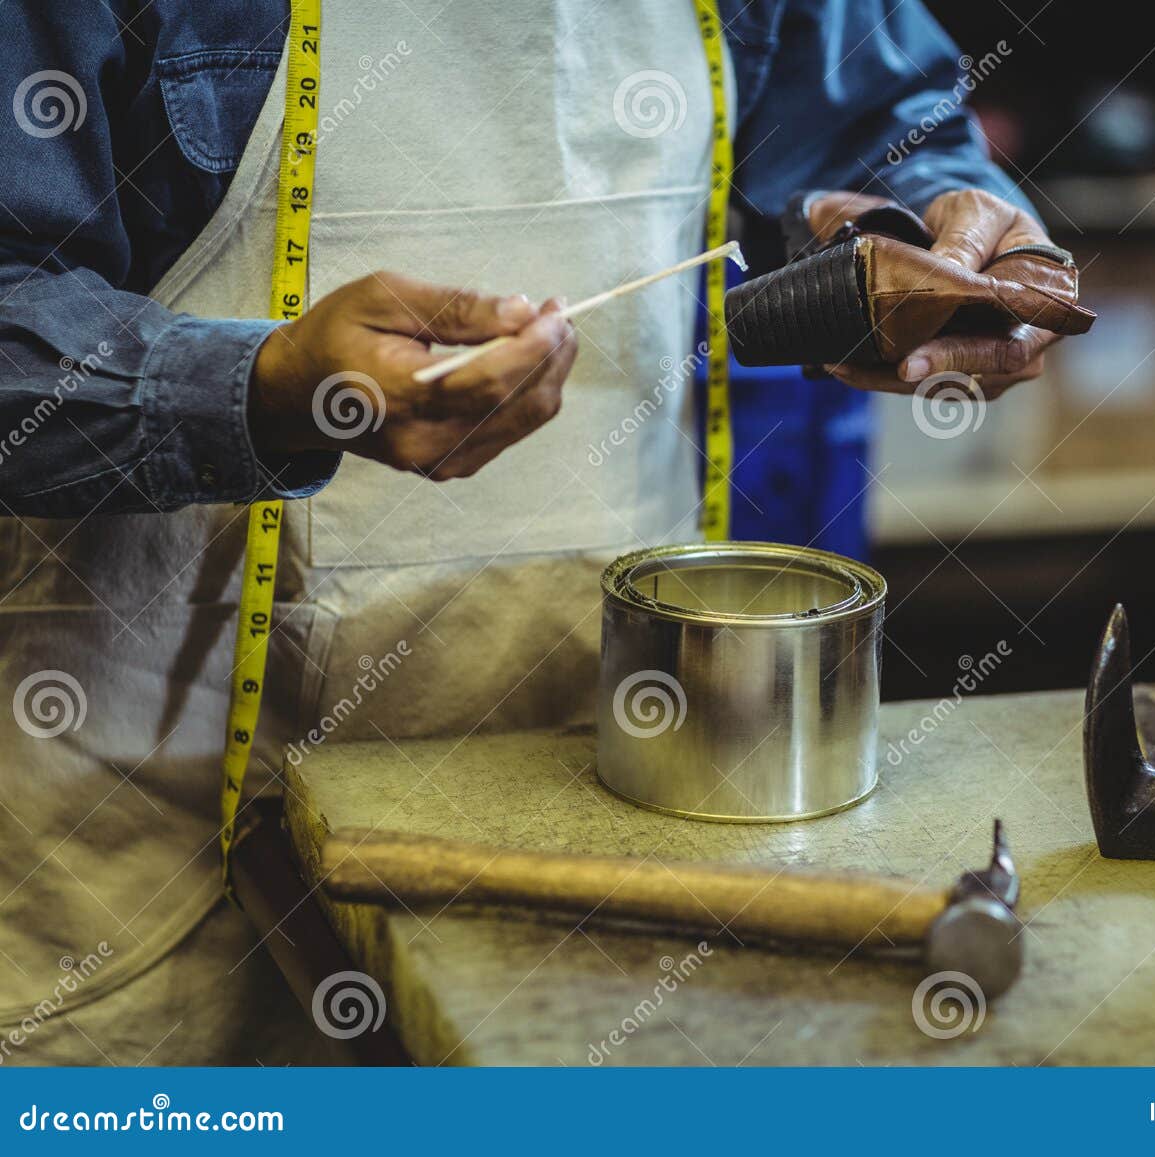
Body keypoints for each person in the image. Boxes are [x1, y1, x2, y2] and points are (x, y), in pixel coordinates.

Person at [0, 0, 1079, 1064]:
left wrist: (946, 229)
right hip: (148, 852)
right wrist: (266, 390)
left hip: (611, 814)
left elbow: (891, 129)